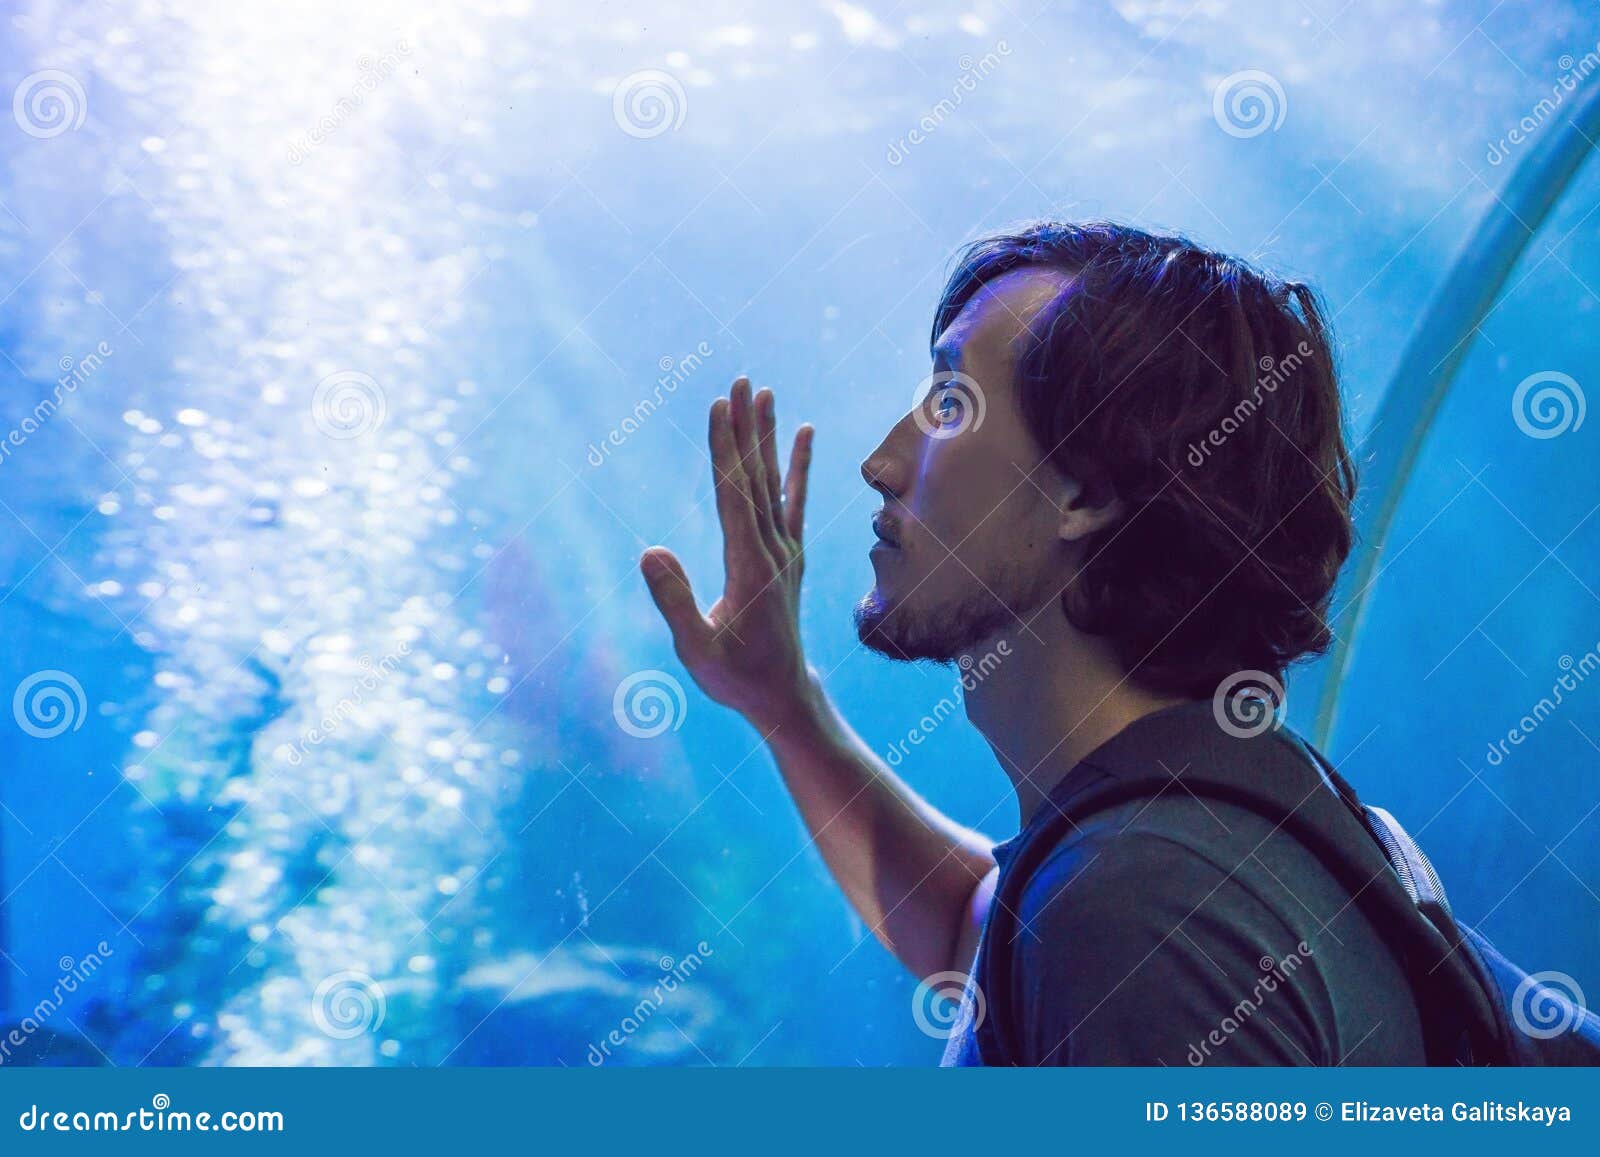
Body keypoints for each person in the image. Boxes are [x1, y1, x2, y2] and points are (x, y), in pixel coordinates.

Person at [638, 220, 1425, 1065]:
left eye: (950, 403)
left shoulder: (1142, 919)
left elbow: (1089, 945)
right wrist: (781, 698)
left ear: (1085, 490)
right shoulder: (1202, 834)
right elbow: (976, 932)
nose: (880, 463)